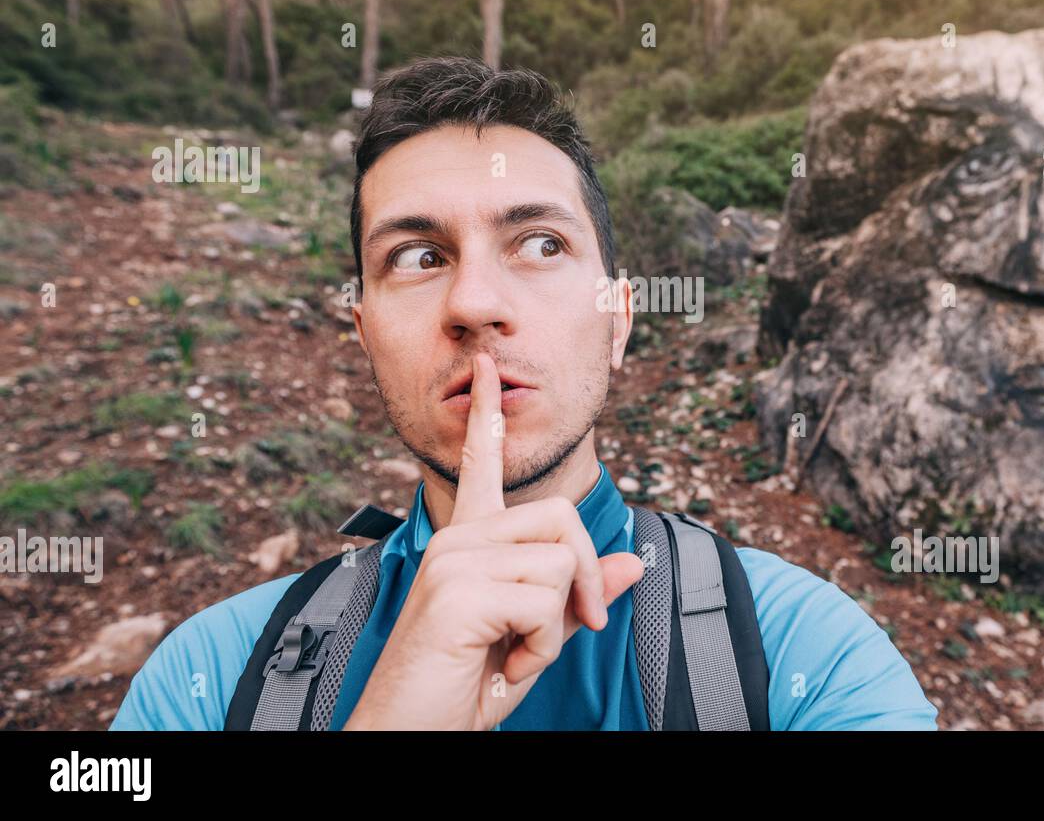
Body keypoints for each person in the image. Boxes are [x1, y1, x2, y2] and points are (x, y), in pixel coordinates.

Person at [110, 56, 938, 731]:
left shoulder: (807, 658)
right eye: (418, 257)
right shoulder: (210, 681)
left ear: (617, 320)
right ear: (363, 334)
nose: (475, 304)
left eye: (540, 243)